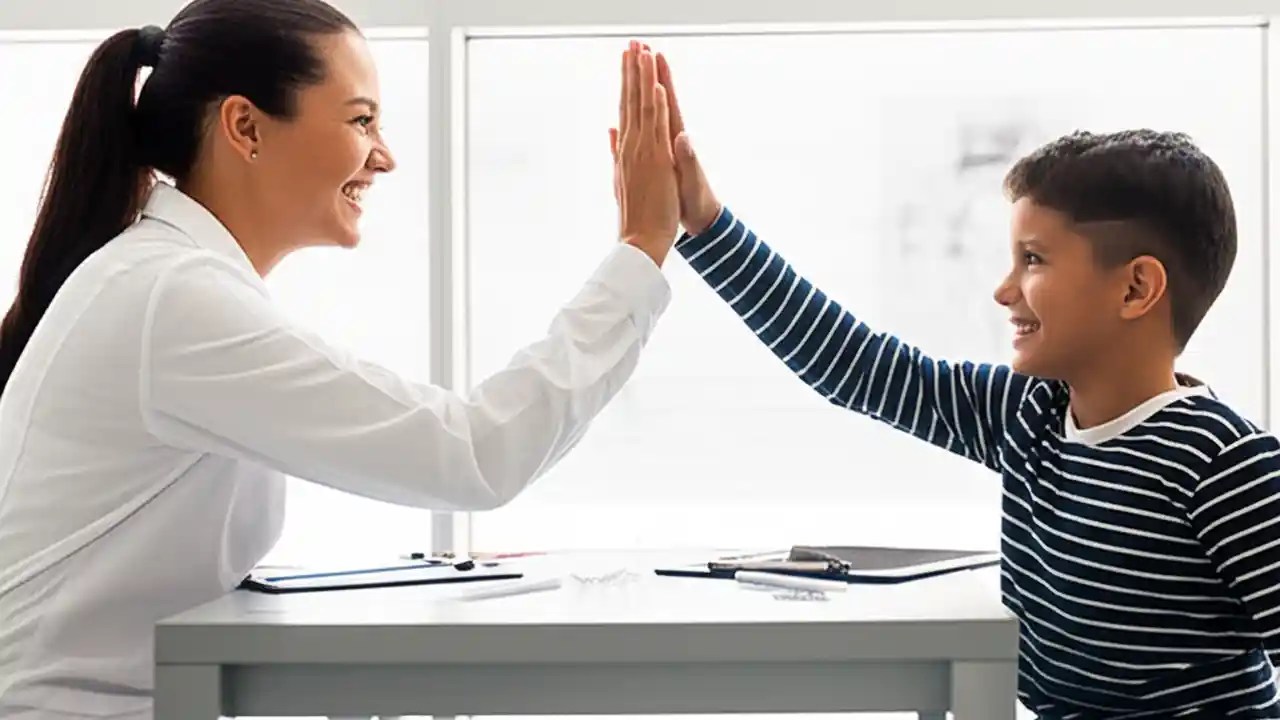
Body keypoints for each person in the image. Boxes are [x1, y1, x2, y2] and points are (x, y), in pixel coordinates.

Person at [0, 0, 679, 713]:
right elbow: (478, 450)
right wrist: (641, 248)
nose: (383, 155)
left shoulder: (166, 278)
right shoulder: (172, 297)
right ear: (245, 127)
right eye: (361, 121)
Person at [644, 52, 1280, 717]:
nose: (1005, 291)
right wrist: (704, 224)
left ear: (1136, 287)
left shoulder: (1225, 468)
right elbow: (854, 365)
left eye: (1033, 260)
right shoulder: (1027, 414)